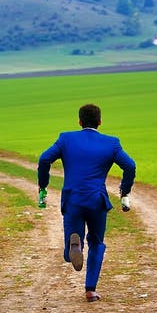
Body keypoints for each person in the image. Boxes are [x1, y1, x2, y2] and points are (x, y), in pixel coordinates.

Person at [37, 103, 136, 302]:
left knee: (71, 250)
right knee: (97, 243)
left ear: (79, 121)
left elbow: (44, 159)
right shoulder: (111, 143)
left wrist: (43, 186)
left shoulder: (66, 139)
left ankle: (74, 247)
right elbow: (130, 166)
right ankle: (90, 290)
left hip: (73, 199)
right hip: (96, 200)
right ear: (100, 122)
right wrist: (124, 192)